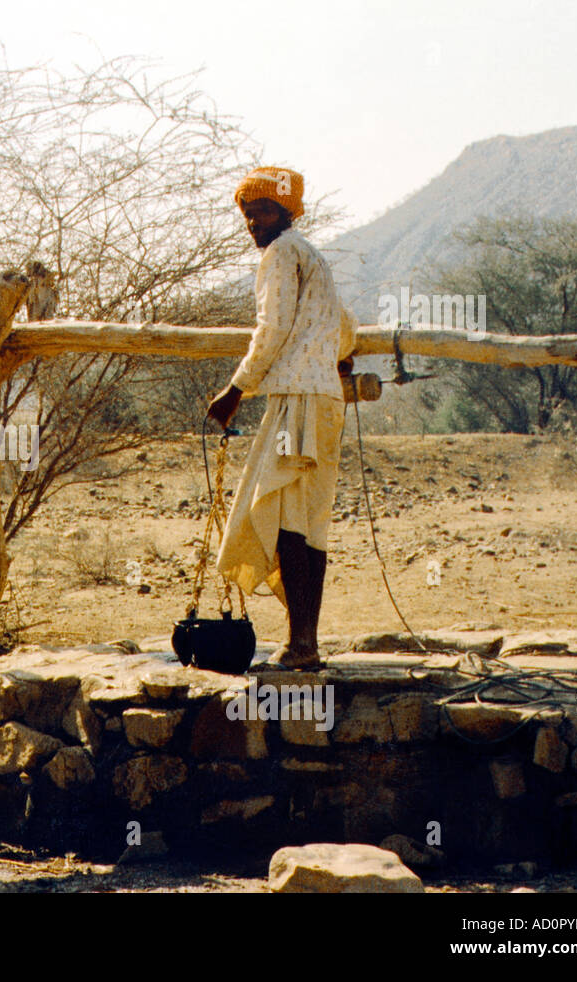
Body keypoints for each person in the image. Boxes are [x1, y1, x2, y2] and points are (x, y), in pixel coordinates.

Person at [206, 167, 358, 671]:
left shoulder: (279, 255)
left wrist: (235, 390)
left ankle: (301, 644)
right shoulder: (311, 254)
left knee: (288, 519)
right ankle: (305, 643)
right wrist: (339, 356)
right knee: (309, 523)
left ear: (286, 212)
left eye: (263, 212)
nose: (253, 223)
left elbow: (270, 330)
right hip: (325, 399)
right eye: (247, 215)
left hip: (296, 398)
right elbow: (345, 325)